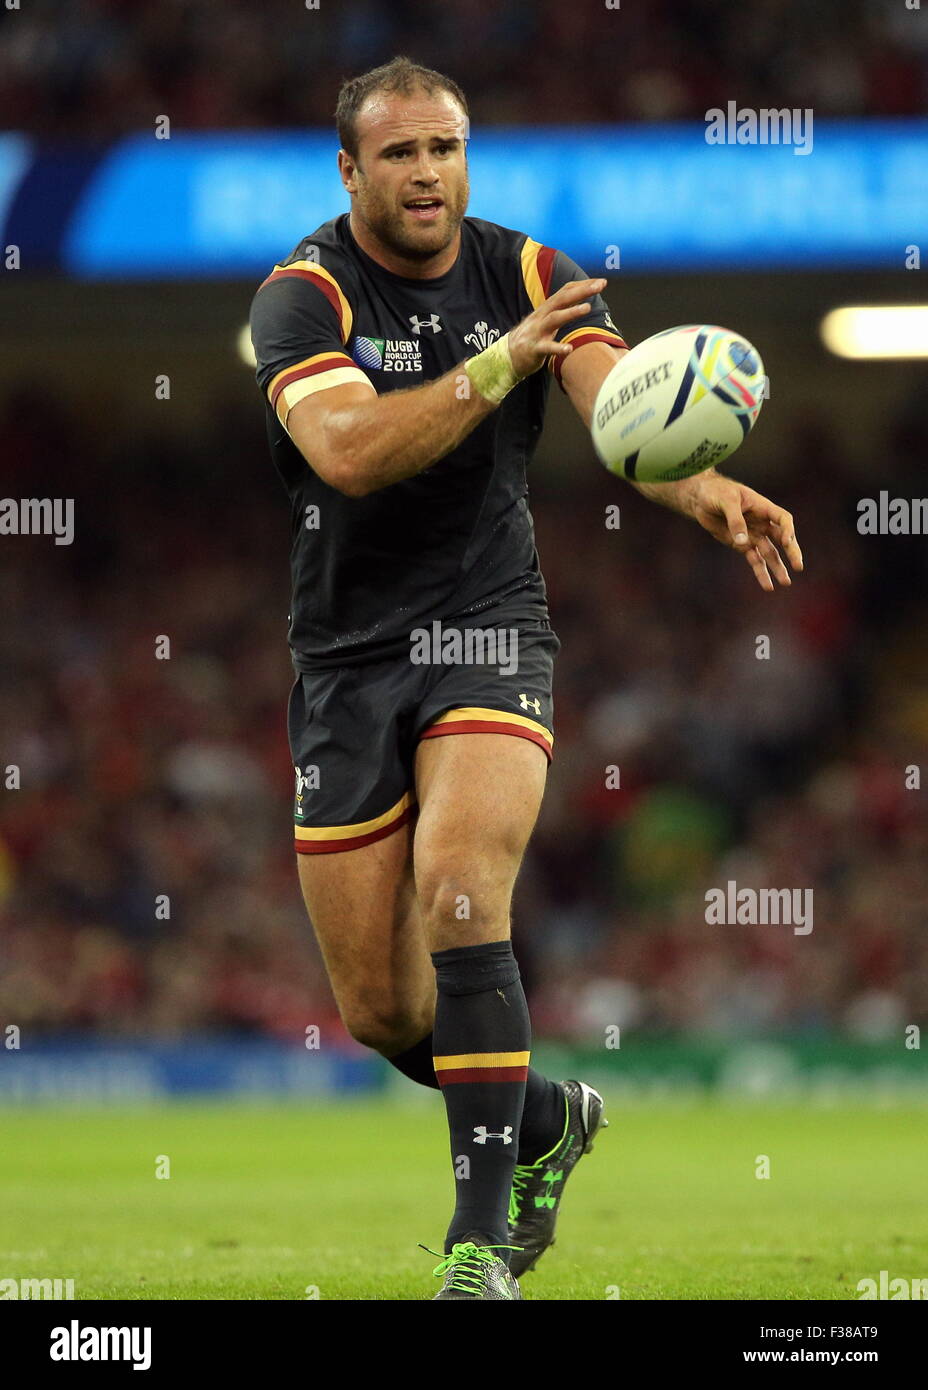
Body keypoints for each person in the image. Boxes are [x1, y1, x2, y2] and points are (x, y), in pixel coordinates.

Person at [249, 56, 802, 1301]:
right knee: (384, 1014)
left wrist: (698, 482)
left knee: (460, 890)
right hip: (343, 658)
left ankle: (475, 1250)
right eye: (398, 154)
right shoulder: (303, 293)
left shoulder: (533, 272)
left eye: (443, 147)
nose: (427, 172)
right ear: (350, 173)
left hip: (489, 628)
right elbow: (345, 450)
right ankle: (543, 1113)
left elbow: (622, 408)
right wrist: (500, 365)